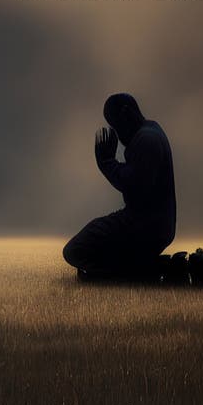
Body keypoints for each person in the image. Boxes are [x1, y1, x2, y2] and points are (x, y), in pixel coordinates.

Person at [63, 93, 177, 281]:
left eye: (116, 125)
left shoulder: (147, 140)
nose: (117, 133)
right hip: (151, 225)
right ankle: (146, 267)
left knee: (74, 251)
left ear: (126, 113)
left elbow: (135, 186)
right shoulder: (150, 133)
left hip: (145, 226)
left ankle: (144, 272)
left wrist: (108, 163)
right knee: (84, 248)